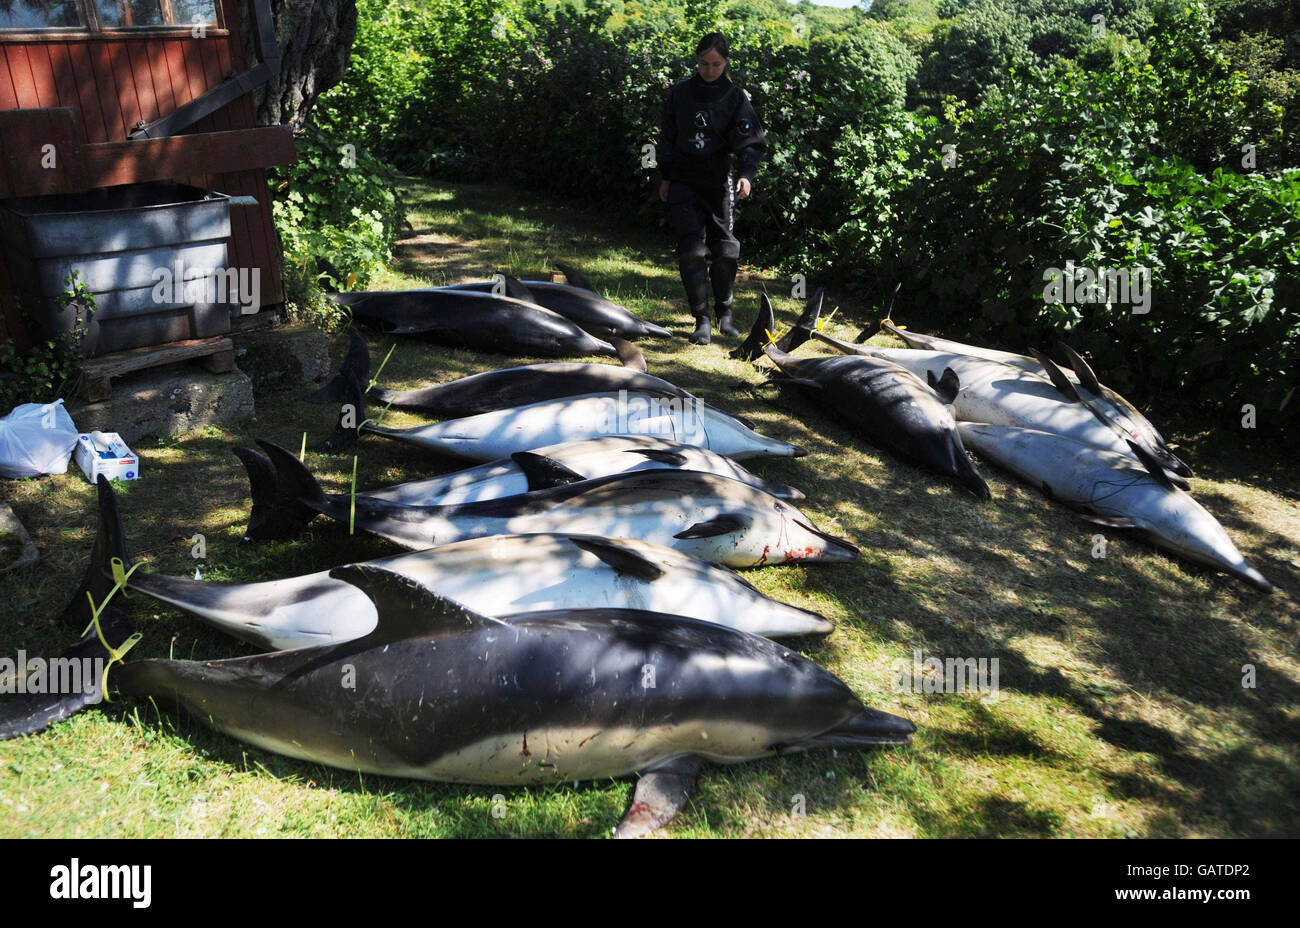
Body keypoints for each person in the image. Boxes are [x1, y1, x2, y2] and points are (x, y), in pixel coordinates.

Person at [657, 32, 767, 345]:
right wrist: (666, 176)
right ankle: (701, 318)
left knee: (725, 249)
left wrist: (746, 173)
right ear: (697, 61)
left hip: (719, 180)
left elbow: (751, 140)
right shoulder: (680, 93)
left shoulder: (735, 97)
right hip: (683, 179)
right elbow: (667, 137)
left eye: (716, 64)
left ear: (725, 62)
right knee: (691, 250)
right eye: (704, 64)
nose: (709, 70)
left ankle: (725, 313)